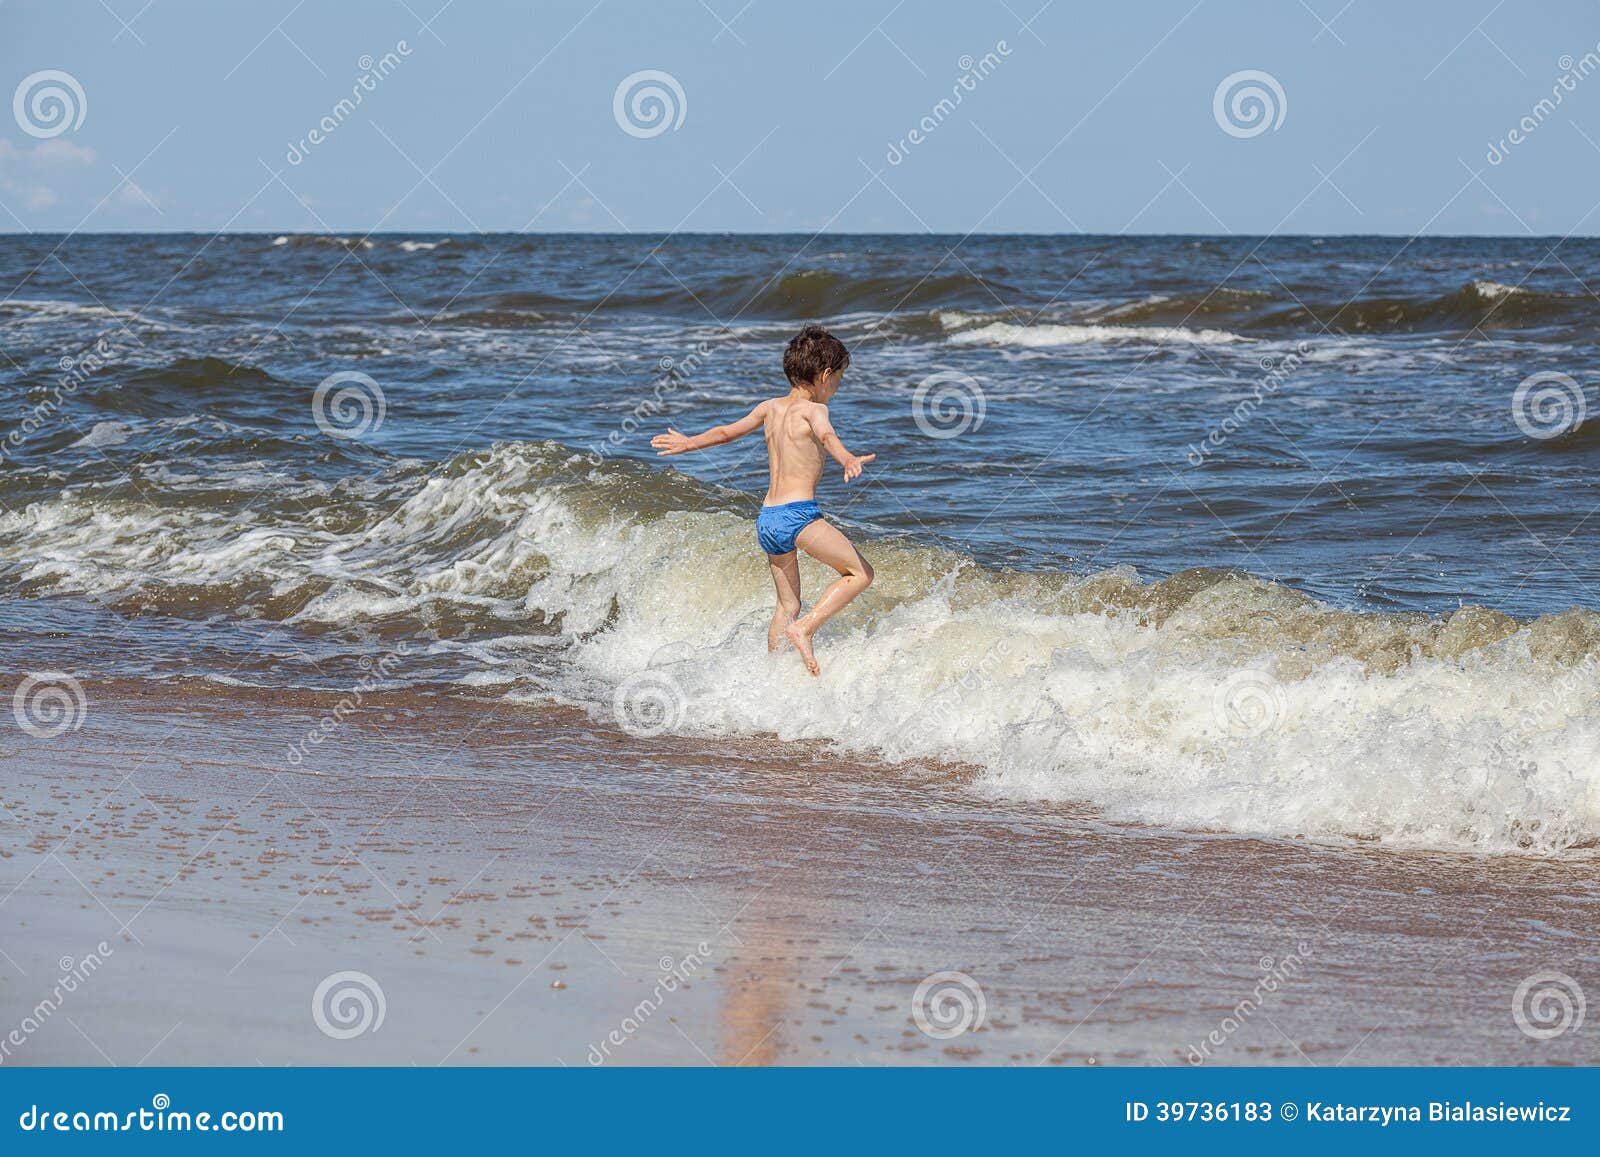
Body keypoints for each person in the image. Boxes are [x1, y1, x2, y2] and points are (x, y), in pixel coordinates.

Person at [651, 324, 875, 676]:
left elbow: (726, 433)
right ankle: (807, 627)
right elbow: (827, 436)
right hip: (799, 515)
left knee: (787, 604)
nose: (837, 388)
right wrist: (847, 458)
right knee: (860, 572)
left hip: (768, 518)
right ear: (825, 374)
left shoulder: (768, 408)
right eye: (839, 379)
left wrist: (688, 442)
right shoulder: (815, 411)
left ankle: (773, 678)